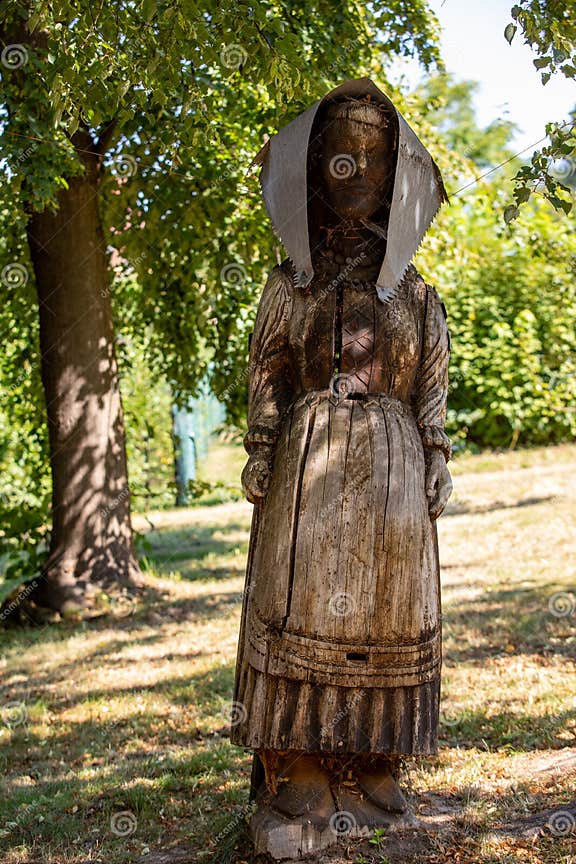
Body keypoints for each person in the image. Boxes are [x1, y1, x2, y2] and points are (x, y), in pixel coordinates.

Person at [232, 78, 453, 830]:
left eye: (374, 157)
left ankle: (379, 760)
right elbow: (267, 369)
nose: (357, 174)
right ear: (313, 167)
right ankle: (300, 767)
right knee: (298, 608)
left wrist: (437, 452)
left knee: (389, 617)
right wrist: (262, 441)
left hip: (392, 471)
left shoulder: (415, 295)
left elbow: (431, 381)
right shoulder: (289, 285)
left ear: (399, 176)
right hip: (308, 476)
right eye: (340, 158)